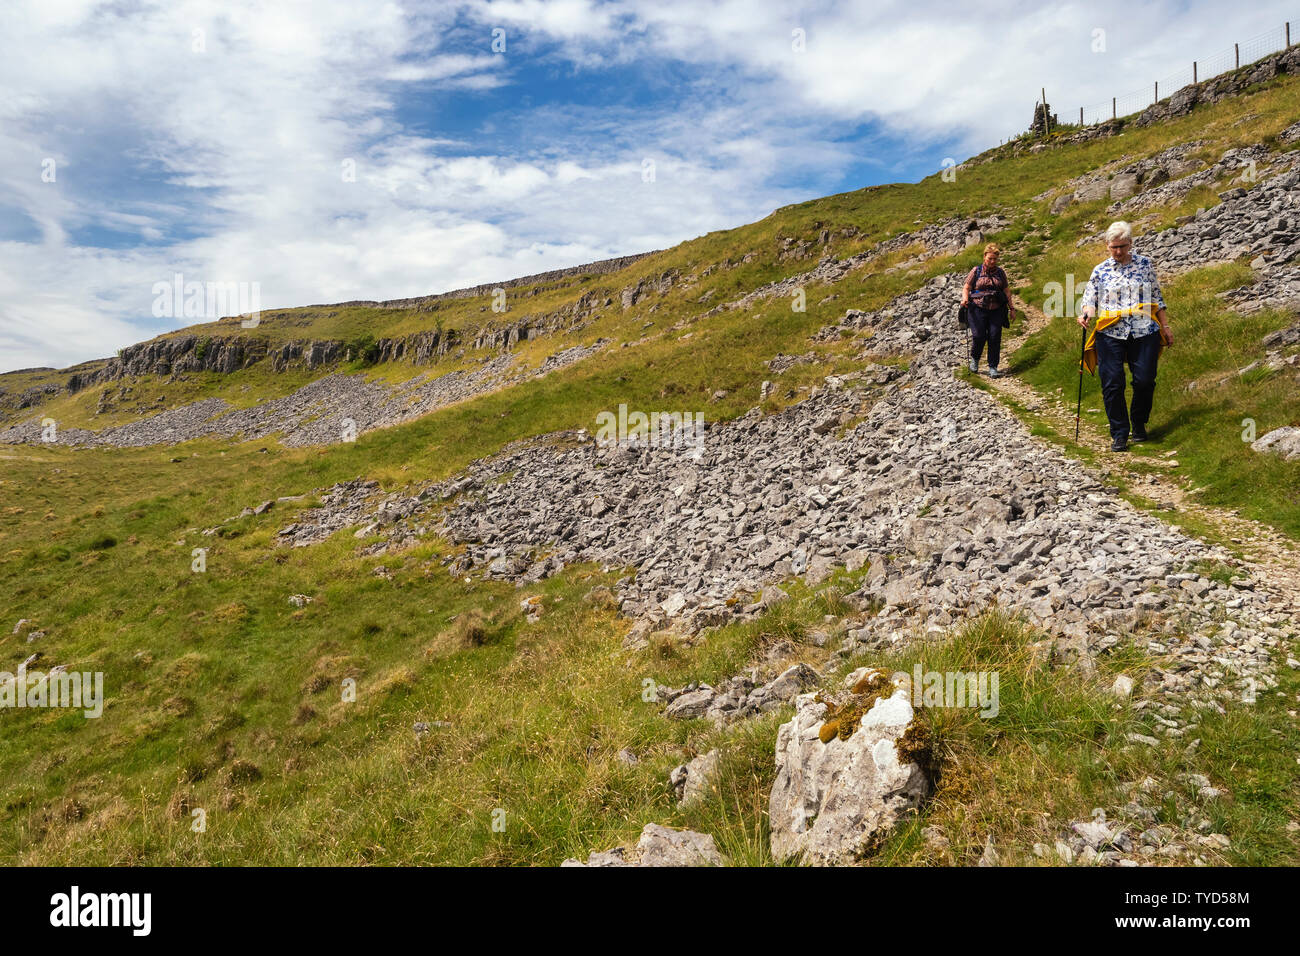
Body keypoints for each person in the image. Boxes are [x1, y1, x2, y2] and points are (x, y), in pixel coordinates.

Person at [1077, 221, 1174, 451]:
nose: (1118, 251)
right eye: (1113, 247)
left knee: (1144, 380)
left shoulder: (1144, 265)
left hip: (1144, 330)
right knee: (1112, 382)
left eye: (1122, 246)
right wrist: (1086, 315)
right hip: (1110, 331)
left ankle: (1139, 424)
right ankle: (1119, 433)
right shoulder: (1100, 270)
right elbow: (1090, 300)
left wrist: (1166, 327)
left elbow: (1157, 299)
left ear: (1130, 244)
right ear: (1107, 246)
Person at [960, 243, 1015, 377]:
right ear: (984, 257)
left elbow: (1006, 291)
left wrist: (1012, 308)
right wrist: (965, 299)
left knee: (995, 336)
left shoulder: (1000, 273)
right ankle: (975, 359)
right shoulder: (976, 271)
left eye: (995, 259)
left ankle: (993, 367)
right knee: (979, 336)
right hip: (977, 308)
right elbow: (966, 287)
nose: (992, 261)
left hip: (996, 309)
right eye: (990, 258)